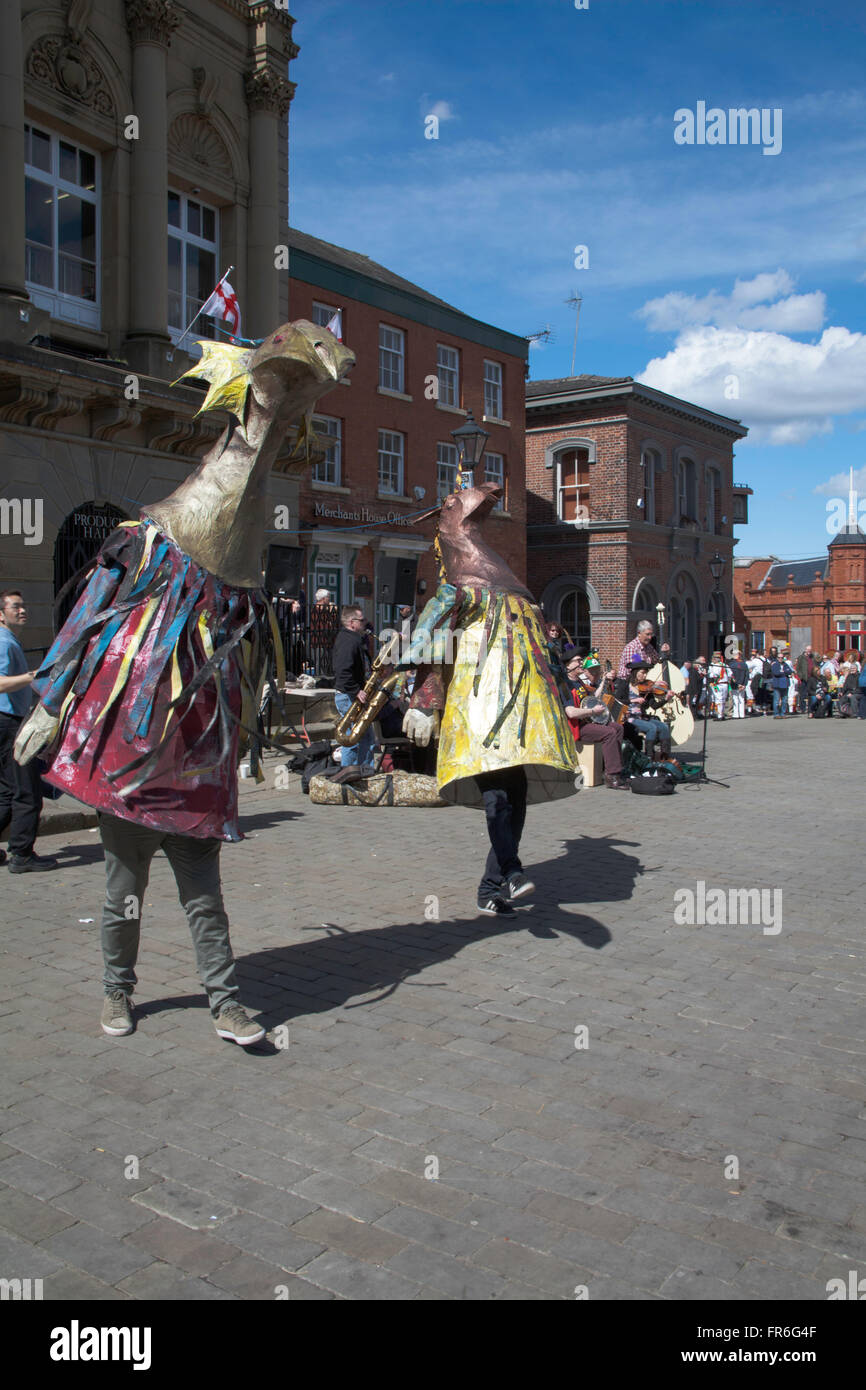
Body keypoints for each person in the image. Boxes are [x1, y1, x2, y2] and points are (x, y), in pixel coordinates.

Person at [0, 591, 55, 872]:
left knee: (8, 791)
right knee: (27, 791)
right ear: (1, 613)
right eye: (15, 607)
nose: (22, 610)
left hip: (8, 721)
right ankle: (21, 854)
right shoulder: (2, 641)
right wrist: (33, 676)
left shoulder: (9, 640)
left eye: (24, 605)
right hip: (8, 723)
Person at [562, 653, 630, 789]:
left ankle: (612, 769)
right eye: (578, 660)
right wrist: (592, 712)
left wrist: (603, 680)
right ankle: (612, 776)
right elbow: (570, 712)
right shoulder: (565, 685)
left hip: (587, 722)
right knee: (609, 732)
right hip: (576, 726)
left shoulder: (579, 682)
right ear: (568, 665)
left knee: (618, 728)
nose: (581, 662)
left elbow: (592, 697)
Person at [332, 604, 375, 771]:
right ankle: (349, 775)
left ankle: (363, 773)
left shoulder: (352, 639)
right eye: (361, 620)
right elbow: (342, 670)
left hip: (351, 695)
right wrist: (356, 690)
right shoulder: (347, 641)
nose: (364, 623)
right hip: (348, 696)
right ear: (352, 622)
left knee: (364, 738)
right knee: (351, 739)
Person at [625, 658, 671, 759]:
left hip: (640, 717)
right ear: (635, 672)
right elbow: (619, 700)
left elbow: (654, 706)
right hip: (629, 718)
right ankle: (649, 756)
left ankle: (665, 756)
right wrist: (634, 700)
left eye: (646, 673)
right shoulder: (626, 686)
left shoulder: (647, 688)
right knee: (651, 727)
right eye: (643, 673)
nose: (645, 676)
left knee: (664, 727)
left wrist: (666, 699)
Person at [615, 621, 659, 702]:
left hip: (641, 682)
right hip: (626, 685)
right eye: (647, 634)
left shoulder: (649, 647)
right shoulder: (632, 648)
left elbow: (657, 661)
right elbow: (635, 669)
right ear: (639, 633)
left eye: (651, 634)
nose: (650, 637)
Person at [707, 650, 731, 720]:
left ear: (715, 659)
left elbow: (714, 675)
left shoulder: (715, 666)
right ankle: (722, 714)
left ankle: (720, 715)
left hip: (718, 684)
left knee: (718, 700)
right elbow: (730, 674)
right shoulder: (725, 665)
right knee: (723, 700)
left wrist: (707, 674)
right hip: (725, 684)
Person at [769, 647, 793, 718]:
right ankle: (776, 714)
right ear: (777, 658)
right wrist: (784, 673)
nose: (780, 659)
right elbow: (776, 673)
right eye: (779, 657)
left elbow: (790, 671)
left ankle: (783, 713)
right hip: (777, 684)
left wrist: (783, 672)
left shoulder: (786, 664)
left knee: (784, 700)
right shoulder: (774, 664)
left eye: (782, 657)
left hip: (785, 684)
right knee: (776, 700)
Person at [727, 649, 748, 719]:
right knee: (741, 699)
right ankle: (742, 714)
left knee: (735, 699)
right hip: (742, 684)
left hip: (735, 684)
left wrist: (737, 683)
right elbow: (747, 675)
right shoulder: (744, 664)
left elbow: (731, 675)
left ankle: (736, 714)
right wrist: (744, 684)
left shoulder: (731, 664)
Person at [796, 646, 816, 714]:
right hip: (804, 678)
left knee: (811, 693)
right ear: (805, 650)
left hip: (812, 678)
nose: (809, 651)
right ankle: (803, 708)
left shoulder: (812, 657)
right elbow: (798, 668)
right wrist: (801, 676)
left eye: (810, 650)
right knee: (803, 694)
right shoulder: (801, 657)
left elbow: (816, 665)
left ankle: (811, 708)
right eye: (808, 650)